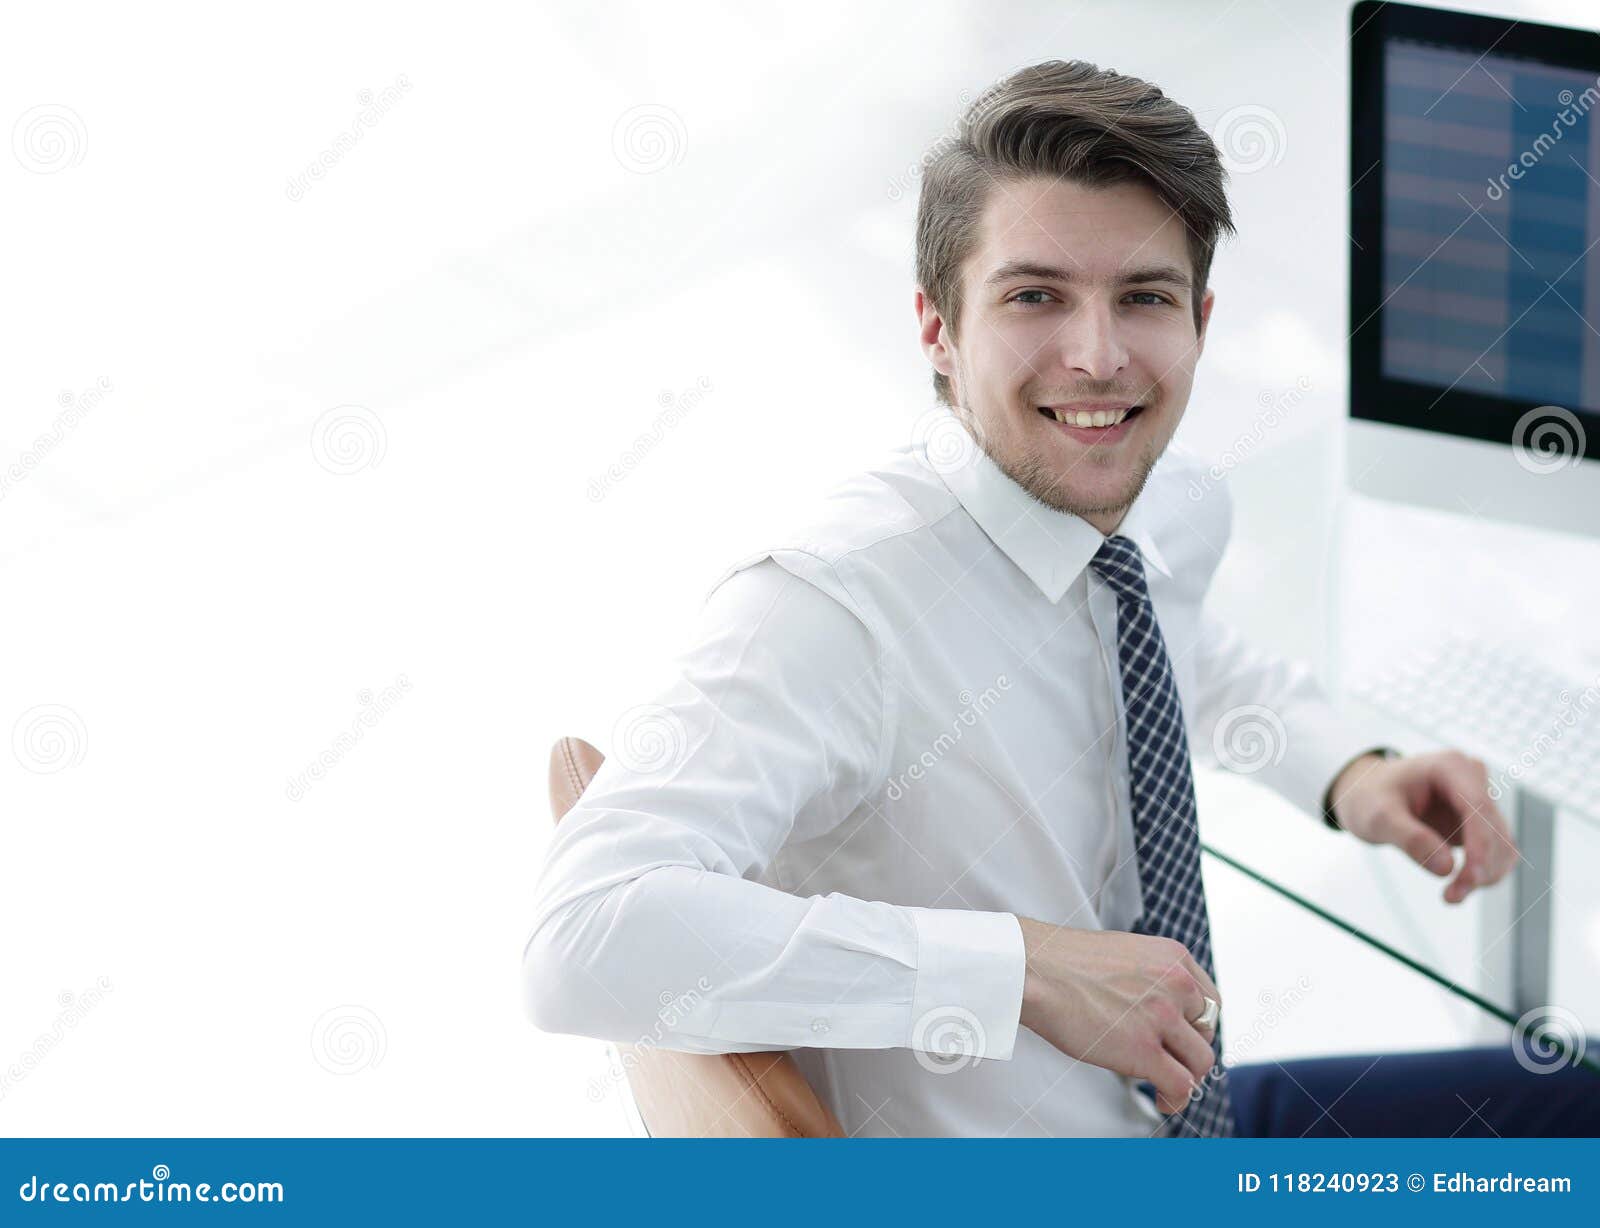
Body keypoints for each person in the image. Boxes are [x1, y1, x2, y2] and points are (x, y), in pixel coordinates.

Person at [522, 59, 1597, 1137]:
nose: (1098, 356)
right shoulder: (834, 609)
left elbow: (1182, 654)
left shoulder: (1166, 505)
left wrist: (1348, 769)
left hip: (1171, 1117)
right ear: (937, 328)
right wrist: (1017, 969)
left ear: (1201, 320)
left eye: (1144, 297)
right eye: (1035, 295)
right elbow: (581, 938)